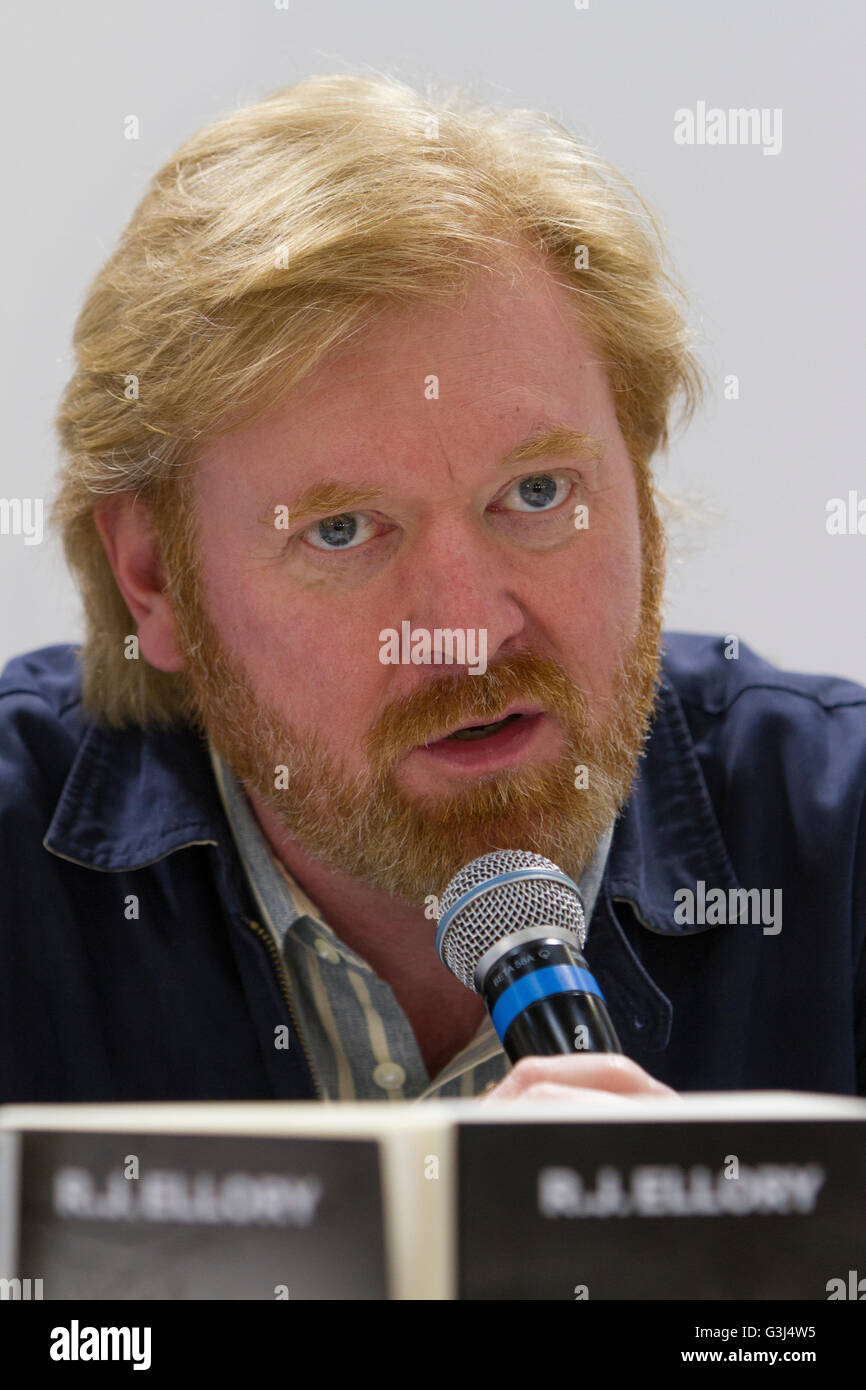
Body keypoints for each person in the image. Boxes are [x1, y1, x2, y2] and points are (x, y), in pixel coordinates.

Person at [1, 74, 863, 1106]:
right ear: (155, 580)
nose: (465, 632)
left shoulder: (839, 839)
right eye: (342, 530)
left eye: (535, 493)